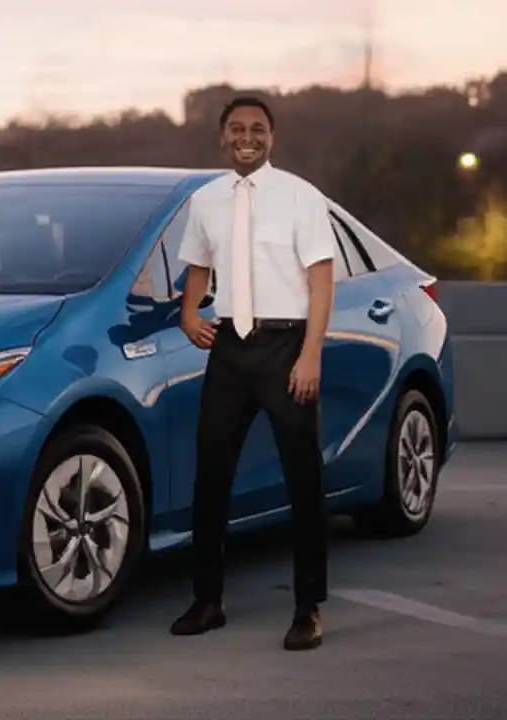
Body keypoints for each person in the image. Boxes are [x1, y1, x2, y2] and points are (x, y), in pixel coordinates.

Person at [168, 96, 337, 651]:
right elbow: (199, 265)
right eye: (237, 128)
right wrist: (189, 313)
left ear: (272, 137)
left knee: (302, 478)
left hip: (287, 345)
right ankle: (207, 601)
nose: (247, 137)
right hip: (229, 351)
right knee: (211, 476)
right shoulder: (206, 201)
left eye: (258, 128)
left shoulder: (300, 196)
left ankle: (308, 608)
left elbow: (320, 280)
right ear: (223, 137)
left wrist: (311, 353)